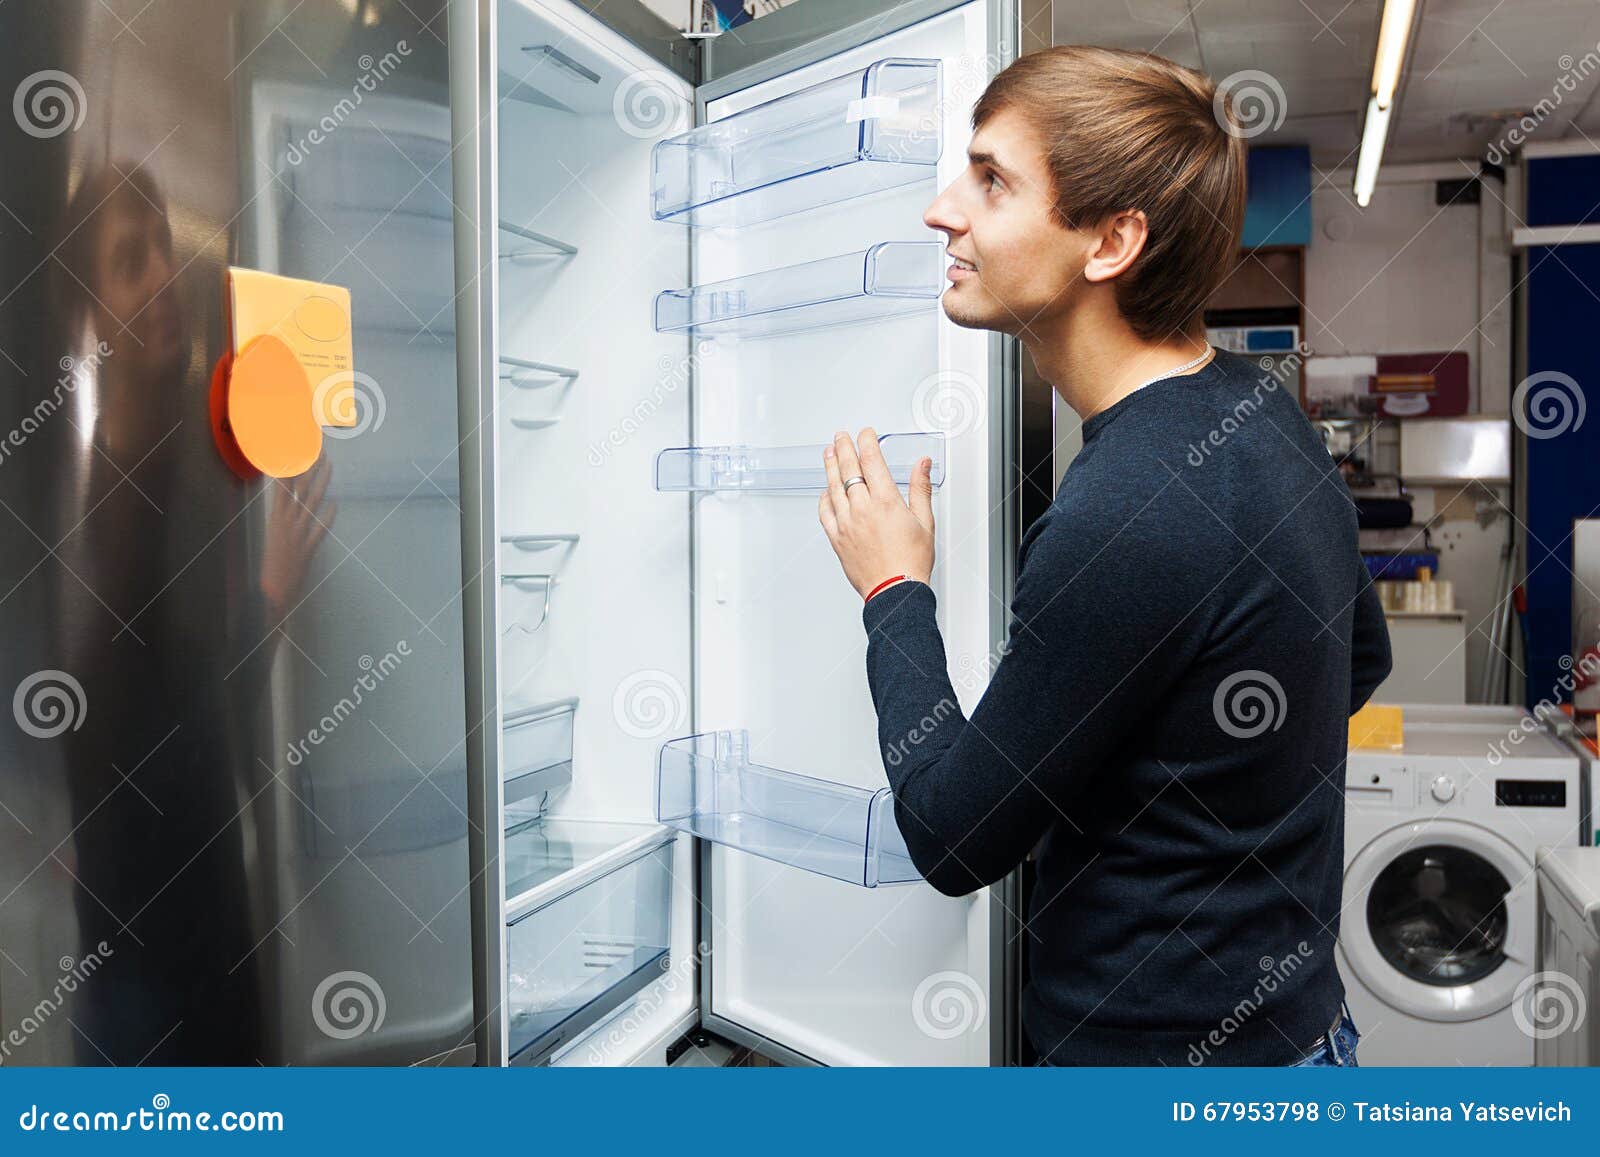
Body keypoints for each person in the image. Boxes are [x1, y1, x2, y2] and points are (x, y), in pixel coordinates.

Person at [817, 46, 1391, 1067]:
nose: (940, 209)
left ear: (1111, 240)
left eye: (991, 180)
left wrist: (893, 587)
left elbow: (953, 837)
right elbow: (1353, 666)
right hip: (1303, 1032)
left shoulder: (1129, 508)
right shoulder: (1267, 412)